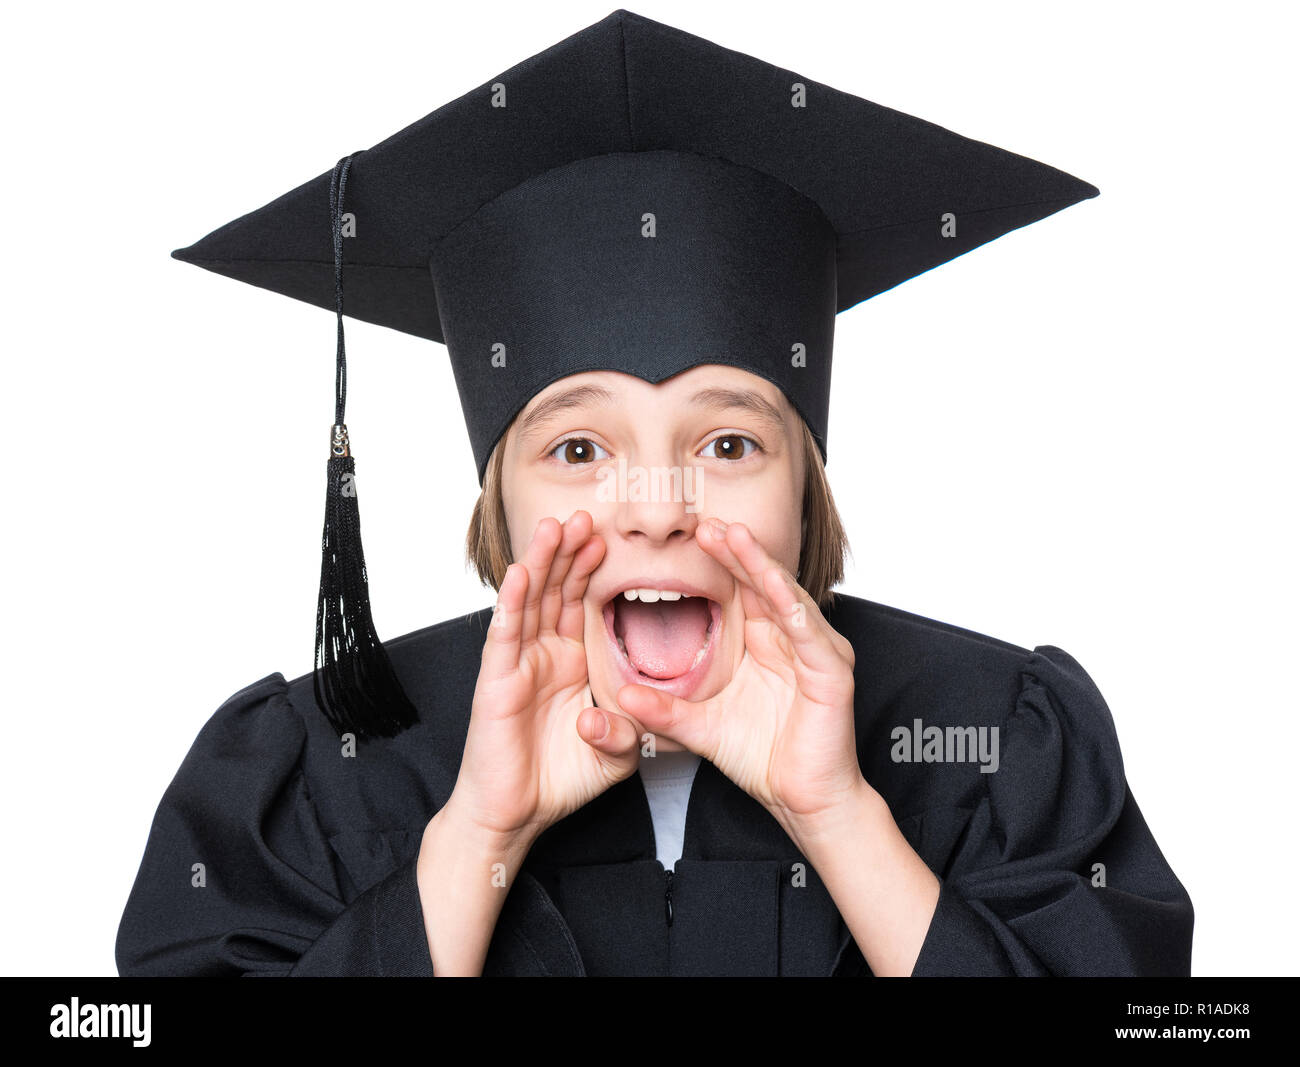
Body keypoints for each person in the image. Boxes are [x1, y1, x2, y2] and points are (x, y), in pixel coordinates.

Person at [116, 9, 1194, 977]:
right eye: (577, 451)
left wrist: (841, 817)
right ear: (497, 500)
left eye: (728, 442)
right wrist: (475, 839)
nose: (654, 505)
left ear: (805, 488)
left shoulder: (997, 738)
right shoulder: (318, 771)